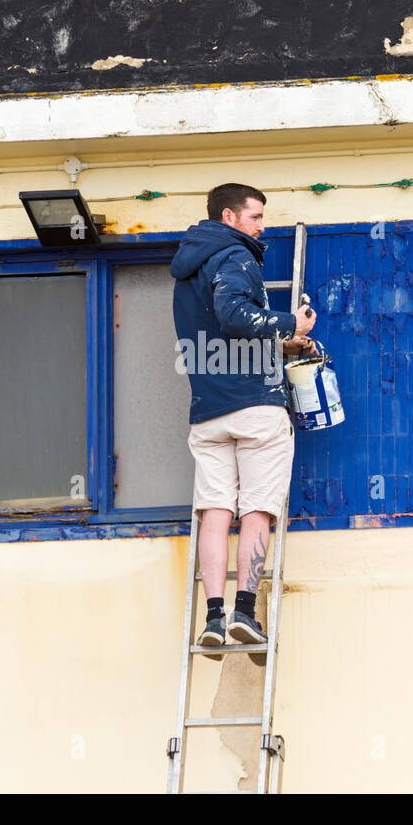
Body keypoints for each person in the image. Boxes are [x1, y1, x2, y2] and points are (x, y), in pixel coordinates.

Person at [170, 183, 316, 649]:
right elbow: (234, 316)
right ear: (230, 217)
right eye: (255, 217)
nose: (261, 226)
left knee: (214, 512)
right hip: (255, 406)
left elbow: (219, 330)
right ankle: (245, 612)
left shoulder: (187, 265)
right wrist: (292, 325)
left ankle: (212, 618)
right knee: (257, 510)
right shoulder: (235, 257)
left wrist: (276, 343)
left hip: (208, 411)